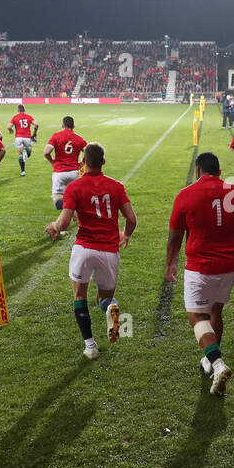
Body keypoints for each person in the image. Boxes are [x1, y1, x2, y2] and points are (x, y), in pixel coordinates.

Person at [165, 151, 234, 395]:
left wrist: (171, 262)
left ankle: (218, 363)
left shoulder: (186, 195)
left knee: (197, 318)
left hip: (200, 267)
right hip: (229, 266)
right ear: (220, 172)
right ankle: (211, 360)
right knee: (215, 313)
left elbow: (175, 235)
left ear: (198, 171)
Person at [45, 143, 137, 360]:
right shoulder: (116, 186)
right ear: (103, 162)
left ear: (83, 162)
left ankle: (90, 346)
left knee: (79, 296)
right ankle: (111, 308)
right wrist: (126, 234)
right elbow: (132, 219)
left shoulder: (74, 188)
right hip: (109, 251)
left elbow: (65, 222)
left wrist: (54, 226)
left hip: (84, 248)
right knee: (104, 299)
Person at [44, 116, 87, 209]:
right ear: (73, 126)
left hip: (59, 172)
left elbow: (46, 152)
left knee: (57, 200)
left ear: (62, 125)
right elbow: (89, 153)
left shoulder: (56, 136)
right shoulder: (79, 138)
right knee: (75, 197)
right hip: (75, 173)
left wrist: (52, 162)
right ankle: (75, 211)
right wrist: (82, 163)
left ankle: (70, 209)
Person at [9, 103, 38, 176]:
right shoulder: (28, 117)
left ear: (18, 110)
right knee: (28, 154)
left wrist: (11, 130)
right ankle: (25, 155)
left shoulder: (15, 117)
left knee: (20, 154)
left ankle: (23, 171)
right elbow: (36, 125)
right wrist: (34, 133)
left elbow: (9, 126)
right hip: (27, 138)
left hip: (18, 138)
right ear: (24, 110)